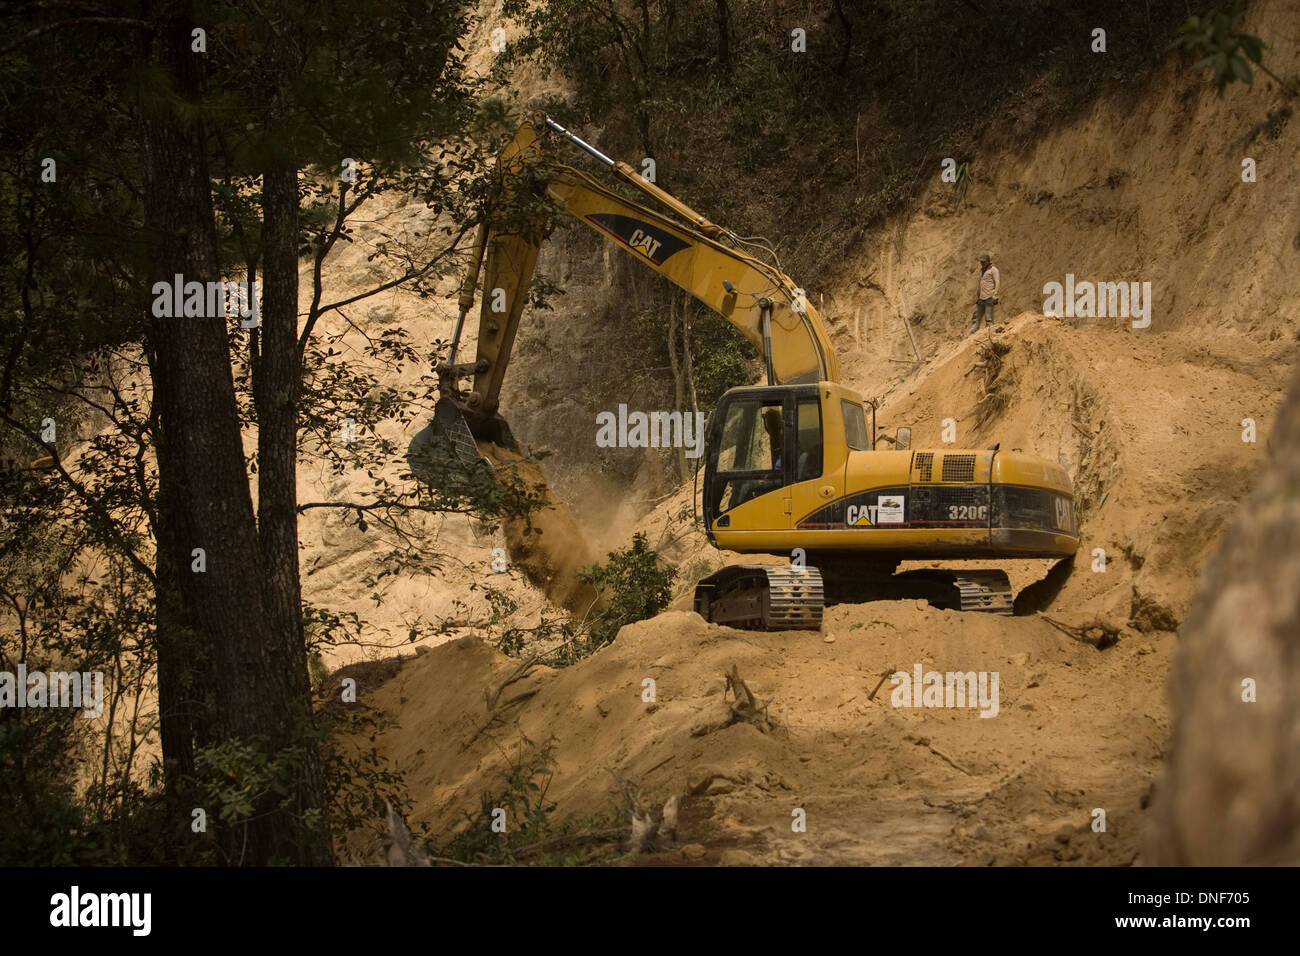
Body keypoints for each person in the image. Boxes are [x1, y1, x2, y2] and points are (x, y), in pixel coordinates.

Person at [968, 252, 1000, 334]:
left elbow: (997, 282)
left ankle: (990, 334)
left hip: (989, 297)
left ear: (988, 261)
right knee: (976, 317)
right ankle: (972, 333)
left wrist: (995, 295)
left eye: (983, 261)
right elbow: (980, 283)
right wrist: (978, 294)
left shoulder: (993, 270)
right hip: (981, 298)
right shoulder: (981, 270)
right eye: (981, 262)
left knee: (988, 318)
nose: (982, 263)